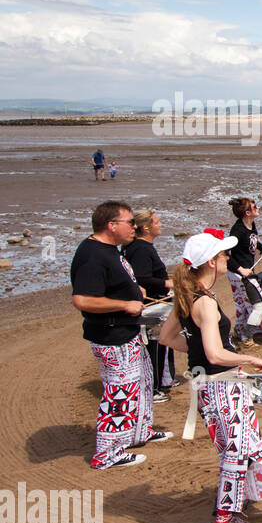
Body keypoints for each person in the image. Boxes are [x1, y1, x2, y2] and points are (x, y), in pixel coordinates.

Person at [157, 230, 262, 523]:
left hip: (209, 385)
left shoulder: (188, 297)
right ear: (211, 261)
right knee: (235, 452)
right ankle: (224, 522)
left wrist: (202, 351)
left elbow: (167, 339)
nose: (227, 258)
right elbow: (213, 353)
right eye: (223, 255)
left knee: (237, 448)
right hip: (221, 386)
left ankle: (234, 505)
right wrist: (249, 357)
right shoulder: (205, 304)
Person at [70, 201, 170, 469]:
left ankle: (139, 433)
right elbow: (81, 300)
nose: (134, 227)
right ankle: (107, 454)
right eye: (129, 222)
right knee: (119, 393)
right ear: (111, 225)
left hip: (127, 332)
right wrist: (124, 305)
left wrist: (134, 292)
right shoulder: (92, 255)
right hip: (111, 336)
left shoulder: (109, 250)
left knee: (143, 384)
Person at [123, 209, 175, 402]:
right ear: (146, 228)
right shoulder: (141, 249)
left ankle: (163, 380)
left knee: (160, 343)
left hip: (152, 303)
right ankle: (153, 389)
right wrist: (167, 284)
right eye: (157, 222)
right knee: (154, 345)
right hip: (150, 306)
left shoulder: (141, 246)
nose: (160, 224)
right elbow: (142, 277)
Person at [226, 197, 262, 344]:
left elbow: (253, 241)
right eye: (254, 207)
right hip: (239, 275)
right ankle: (246, 337)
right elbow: (225, 255)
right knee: (260, 306)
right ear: (247, 213)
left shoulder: (251, 224)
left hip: (246, 272)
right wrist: (241, 270)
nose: (257, 208)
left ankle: (239, 332)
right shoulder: (237, 231)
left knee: (245, 306)